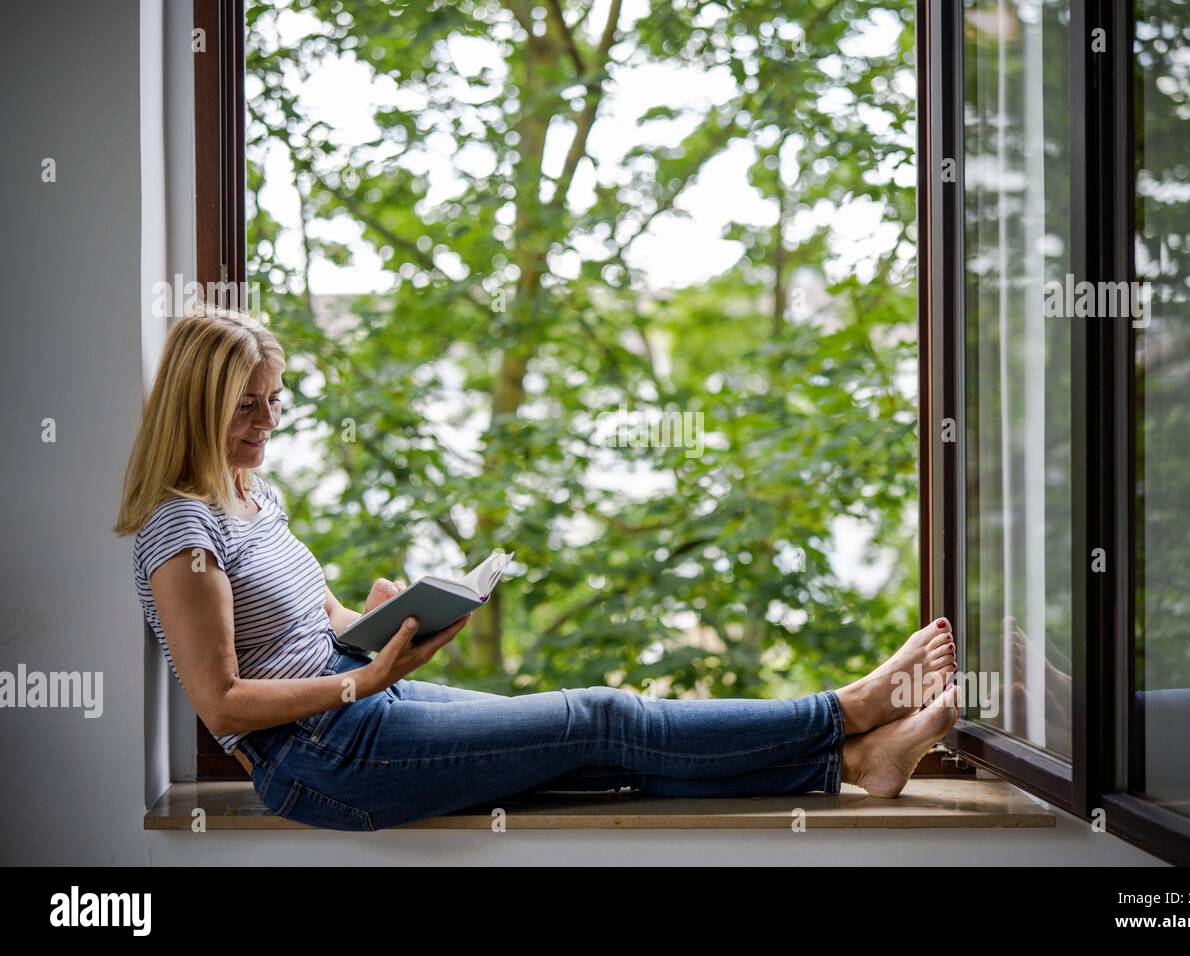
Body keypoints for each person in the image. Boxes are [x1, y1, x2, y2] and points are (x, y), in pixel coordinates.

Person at [114, 306, 959, 831]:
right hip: (320, 758)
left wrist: (384, 617)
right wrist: (361, 683)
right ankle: (845, 711)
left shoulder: (248, 494)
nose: (269, 421)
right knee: (600, 716)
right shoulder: (179, 526)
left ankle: (851, 767)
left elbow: (315, 620)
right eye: (247, 405)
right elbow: (221, 700)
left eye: (275, 398)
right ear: (198, 404)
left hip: (353, 705)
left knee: (590, 755)